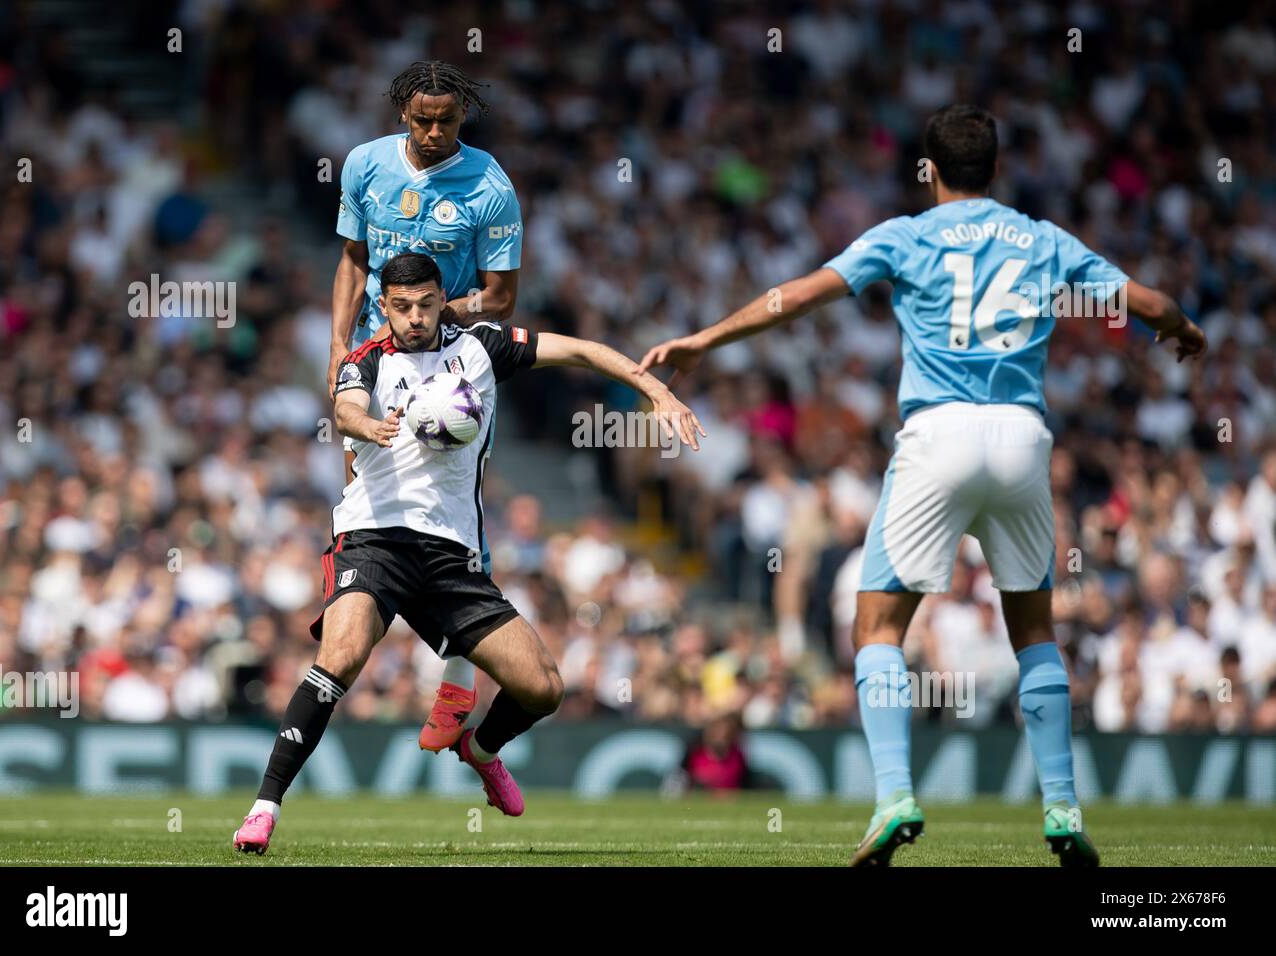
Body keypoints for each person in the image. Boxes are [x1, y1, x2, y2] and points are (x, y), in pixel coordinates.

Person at [637, 104, 1206, 867]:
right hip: (1021, 439)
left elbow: (798, 294)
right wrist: (1181, 330)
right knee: (1035, 631)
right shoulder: (1041, 237)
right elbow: (1151, 305)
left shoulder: (905, 235)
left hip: (938, 436)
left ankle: (895, 796)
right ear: (996, 168)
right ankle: (1064, 808)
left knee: (877, 628)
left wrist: (706, 339)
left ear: (929, 169)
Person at [234, 252, 703, 854]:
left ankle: (479, 749)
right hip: (373, 535)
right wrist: (365, 426)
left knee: (543, 687)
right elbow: (344, 405)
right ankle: (264, 807)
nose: (414, 318)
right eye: (401, 307)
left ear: (441, 299)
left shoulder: (483, 346)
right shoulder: (367, 358)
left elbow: (582, 350)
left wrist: (653, 388)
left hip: (450, 555)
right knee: (343, 653)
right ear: (384, 306)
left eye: (425, 304)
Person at [329, 60, 524, 751]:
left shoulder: (489, 186)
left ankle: (458, 676)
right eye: (422, 120)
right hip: (374, 361)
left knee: (454, 504)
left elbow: (501, 297)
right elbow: (354, 261)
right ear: (401, 114)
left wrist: (443, 311)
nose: (435, 131)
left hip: (453, 370)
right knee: (366, 494)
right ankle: (348, 613)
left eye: (447, 120)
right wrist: (336, 347)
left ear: (462, 117)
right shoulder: (365, 166)